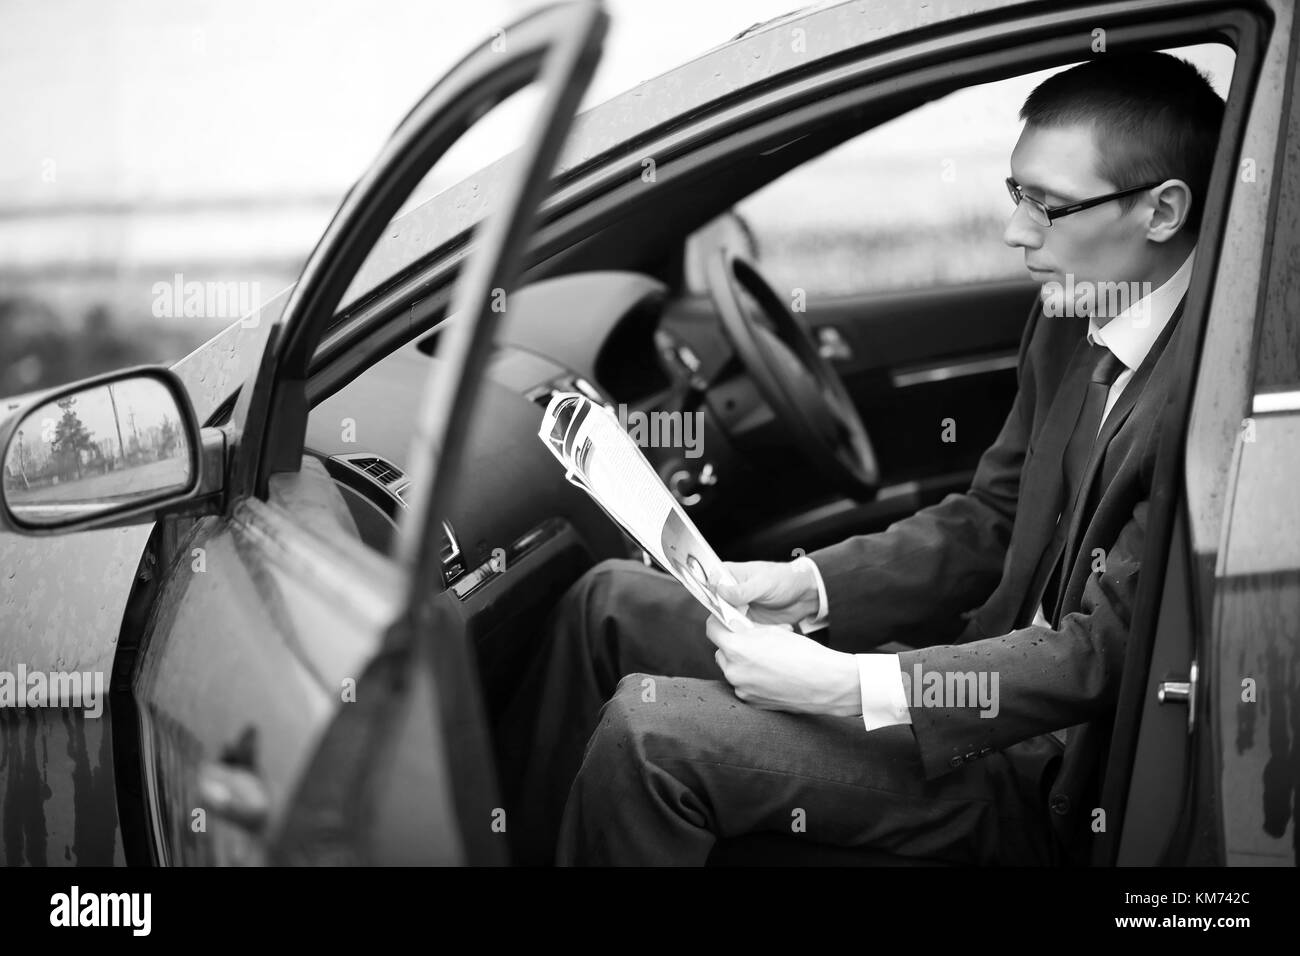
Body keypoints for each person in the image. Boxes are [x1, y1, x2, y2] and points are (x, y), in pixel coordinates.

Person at [492, 51, 1224, 866]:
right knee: (609, 604)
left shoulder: (1211, 391)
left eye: (1049, 207)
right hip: (962, 674)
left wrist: (848, 688)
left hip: (1044, 771)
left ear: (1162, 211)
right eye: (1017, 194)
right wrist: (806, 588)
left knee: (651, 729)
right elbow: (992, 519)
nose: (1017, 231)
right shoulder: (1071, 315)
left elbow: (1098, 656)